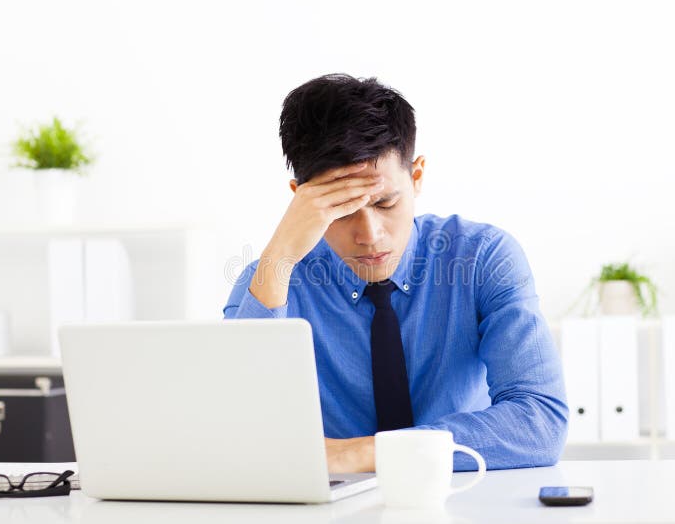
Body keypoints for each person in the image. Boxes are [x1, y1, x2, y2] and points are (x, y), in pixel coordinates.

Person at [223, 73, 568, 473]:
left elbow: (539, 421)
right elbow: (240, 435)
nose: (369, 235)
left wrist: (364, 454)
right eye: (341, 209)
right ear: (300, 199)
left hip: (463, 495)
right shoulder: (269, 280)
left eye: (385, 203)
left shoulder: (483, 258)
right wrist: (279, 253)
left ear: (416, 177)